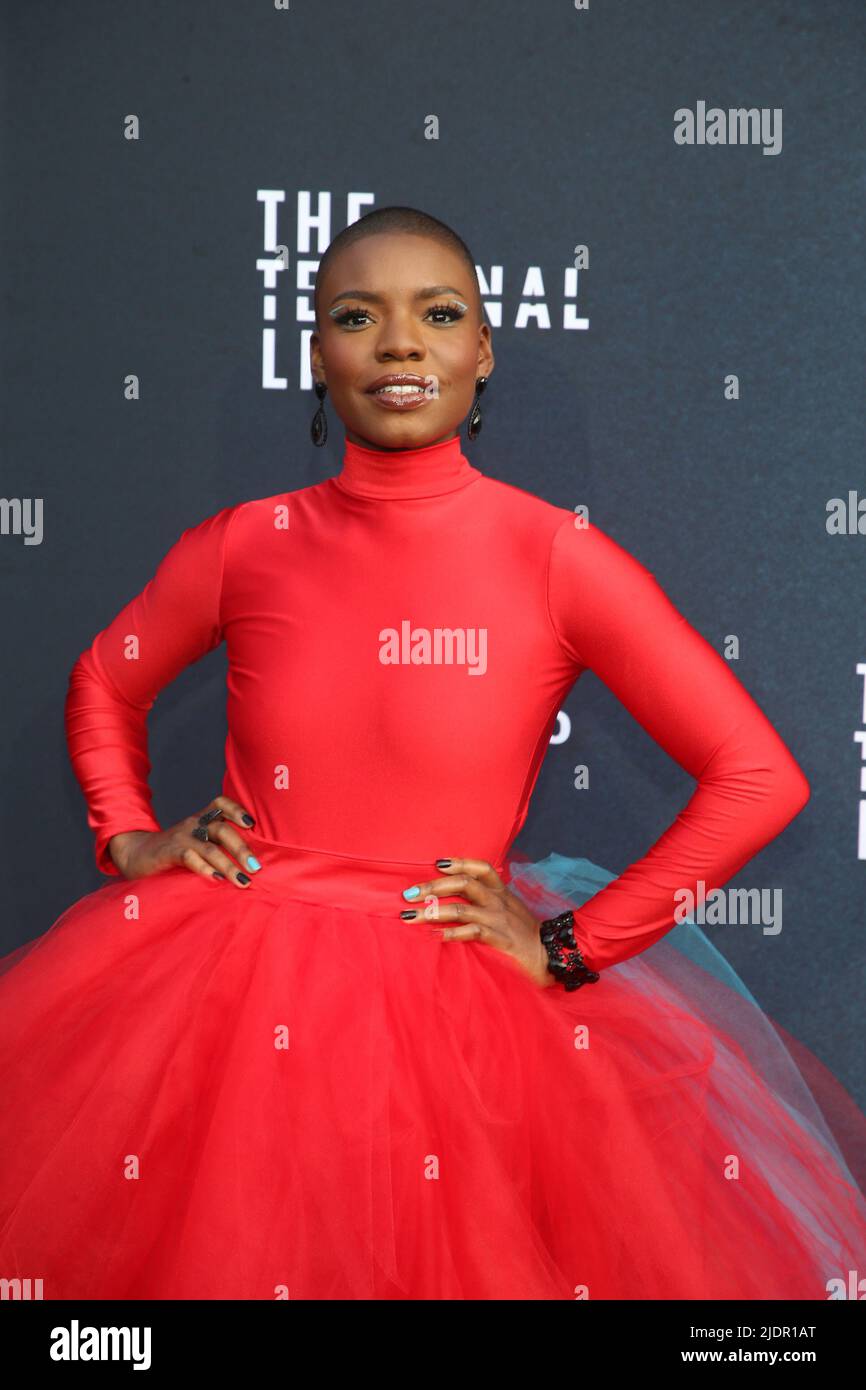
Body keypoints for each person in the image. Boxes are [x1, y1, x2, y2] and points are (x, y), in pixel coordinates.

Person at [1, 205, 865, 1301]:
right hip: (220, 1001)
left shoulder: (557, 556)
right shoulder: (242, 545)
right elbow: (105, 679)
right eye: (358, 316)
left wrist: (571, 945)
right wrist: (126, 836)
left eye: (437, 313)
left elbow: (757, 778)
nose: (400, 343)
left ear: (480, 349)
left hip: (462, 1021)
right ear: (316, 353)